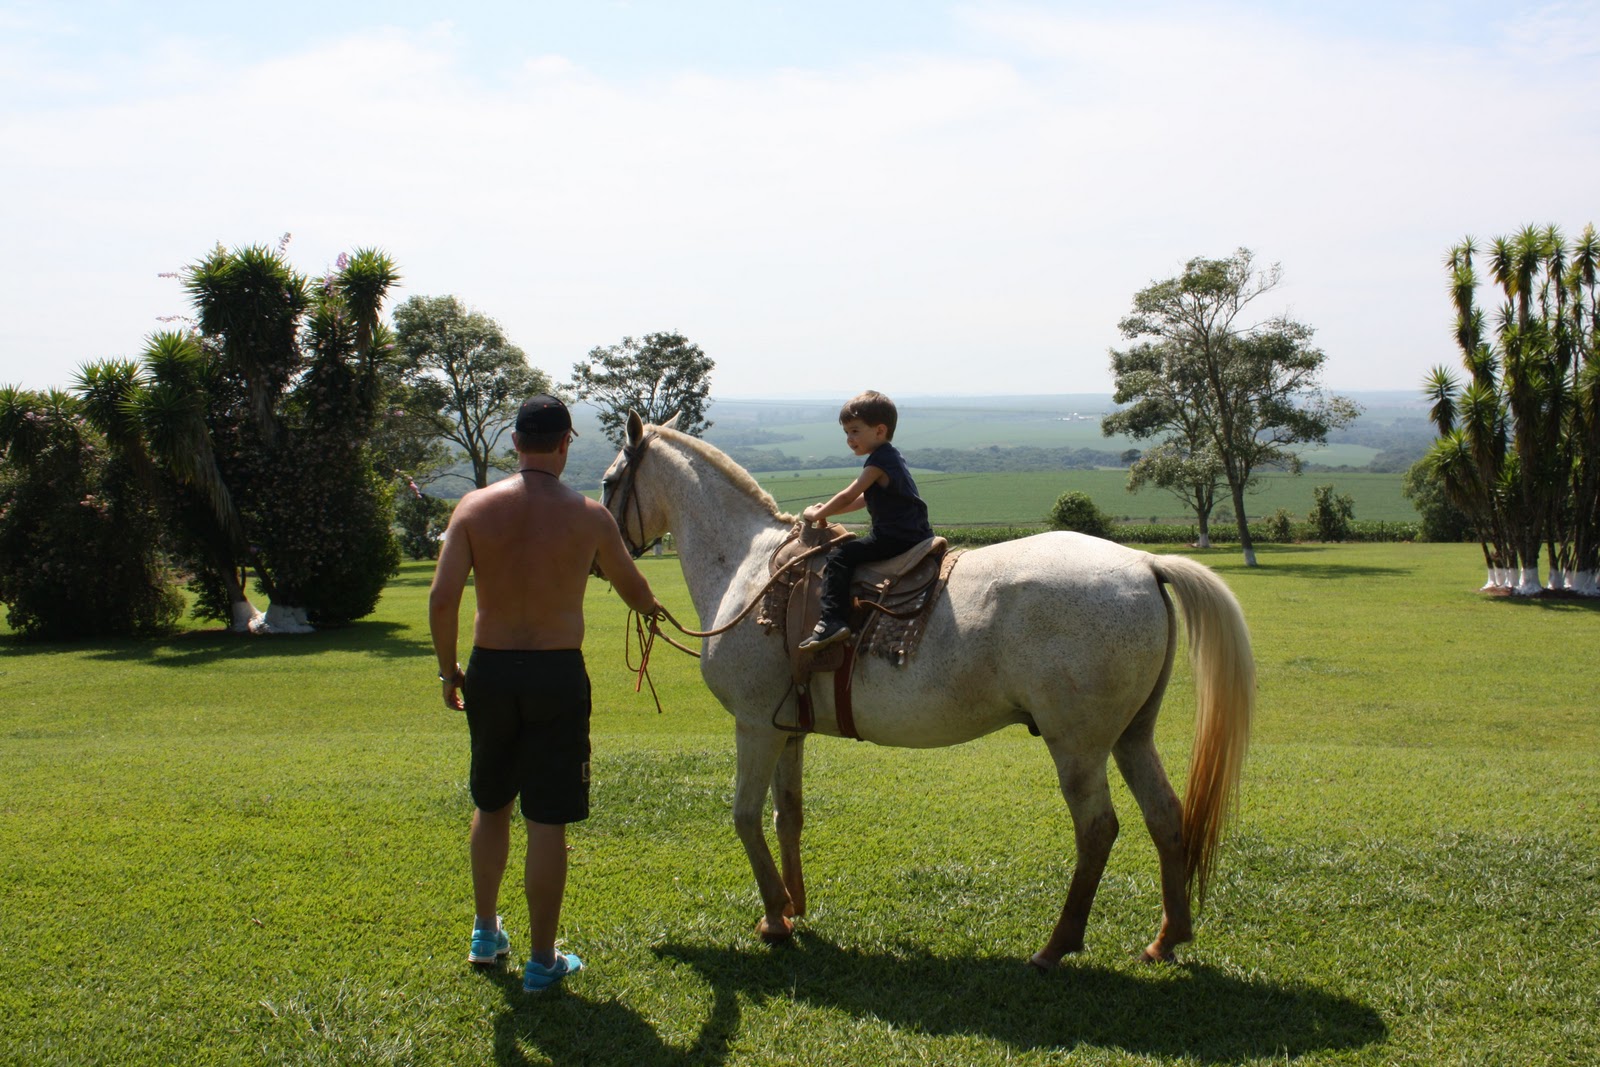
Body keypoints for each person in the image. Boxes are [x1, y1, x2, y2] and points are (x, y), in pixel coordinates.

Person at [428, 394, 663, 993]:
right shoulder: (590, 516)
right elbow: (634, 589)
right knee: (548, 821)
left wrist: (447, 670)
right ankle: (542, 960)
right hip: (557, 674)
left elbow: (442, 598)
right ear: (564, 444)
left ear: (514, 443)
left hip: (491, 670)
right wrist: (654, 610)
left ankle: (485, 932)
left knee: (492, 803)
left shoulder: (474, 508)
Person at [798, 390, 933, 650]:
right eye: (846, 433)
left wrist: (816, 514)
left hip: (895, 537)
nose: (849, 439)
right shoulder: (890, 457)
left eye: (855, 431)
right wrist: (827, 511)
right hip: (916, 533)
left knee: (839, 558)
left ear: (879, 430)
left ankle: (832, 621)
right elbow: (863, 501)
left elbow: (849, 494)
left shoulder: (878, 462)